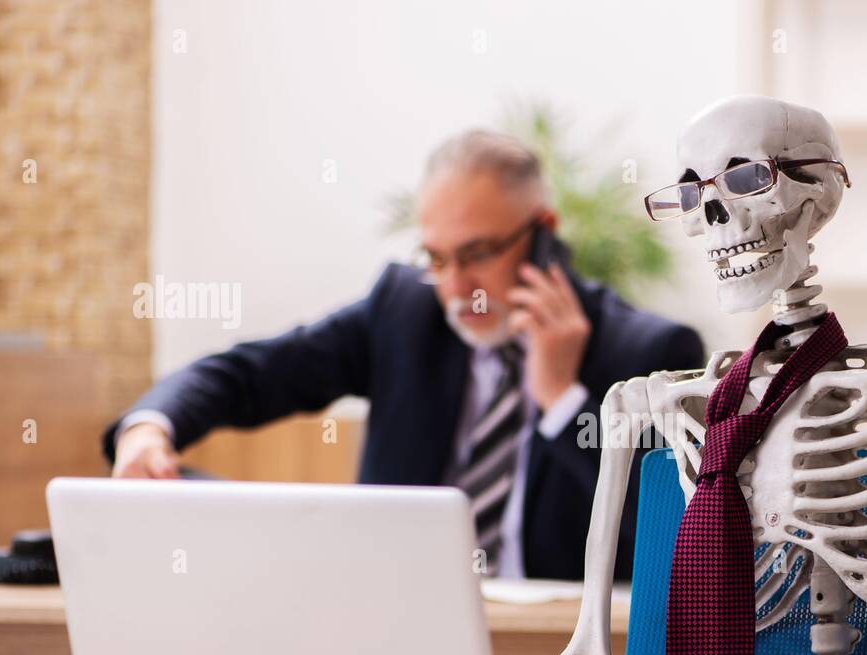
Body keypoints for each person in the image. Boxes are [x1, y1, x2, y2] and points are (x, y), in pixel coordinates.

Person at [103, 130, 703, 580]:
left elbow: (663, 542)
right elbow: (252, 373)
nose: (452, 285)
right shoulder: (403, 311)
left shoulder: (648, 353)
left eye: (476, 253)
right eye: (436, 258)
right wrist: (150, 428)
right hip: (388, 623)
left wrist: (562, 402)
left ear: (544, 230)